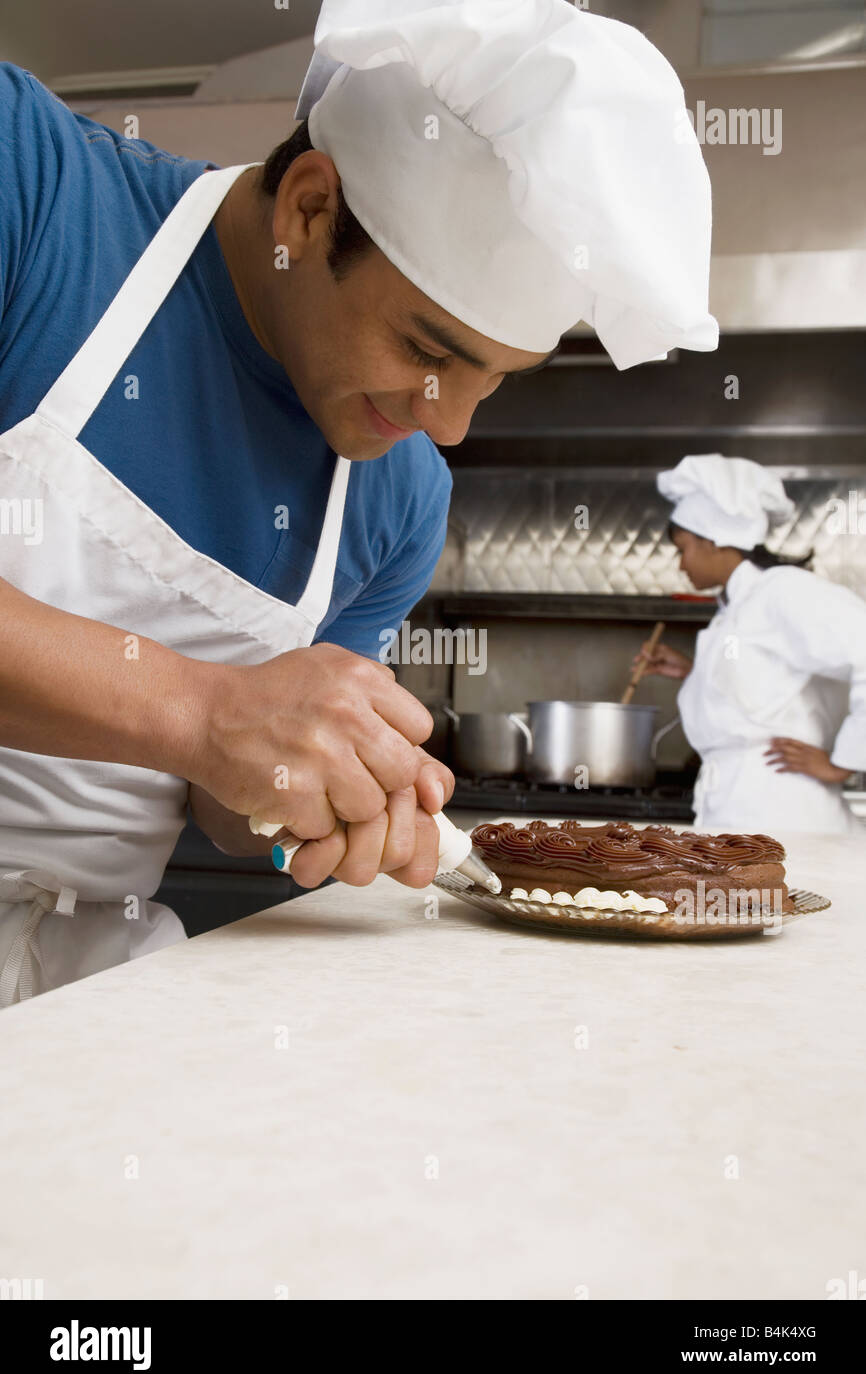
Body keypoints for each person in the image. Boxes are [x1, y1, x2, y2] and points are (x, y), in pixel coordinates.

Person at [0, 0, 718, 1003]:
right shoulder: (32, 191)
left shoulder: (398, 503)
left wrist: (313, 782)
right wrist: (205, 709)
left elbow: (213, 794)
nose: (450, 425)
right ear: (307, 208)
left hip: (71, 987)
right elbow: (201, 722)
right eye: (428, 351)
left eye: (496, 379)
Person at [632, 455, 866, 832]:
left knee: (788, 894)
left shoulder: (782, 591)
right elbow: (763, 695)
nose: (681, 565)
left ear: (715, 540)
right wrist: (695, 672)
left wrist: (843, 763)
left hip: (785, 815)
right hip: (740, 809)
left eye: (683, 548)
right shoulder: (738, 605)